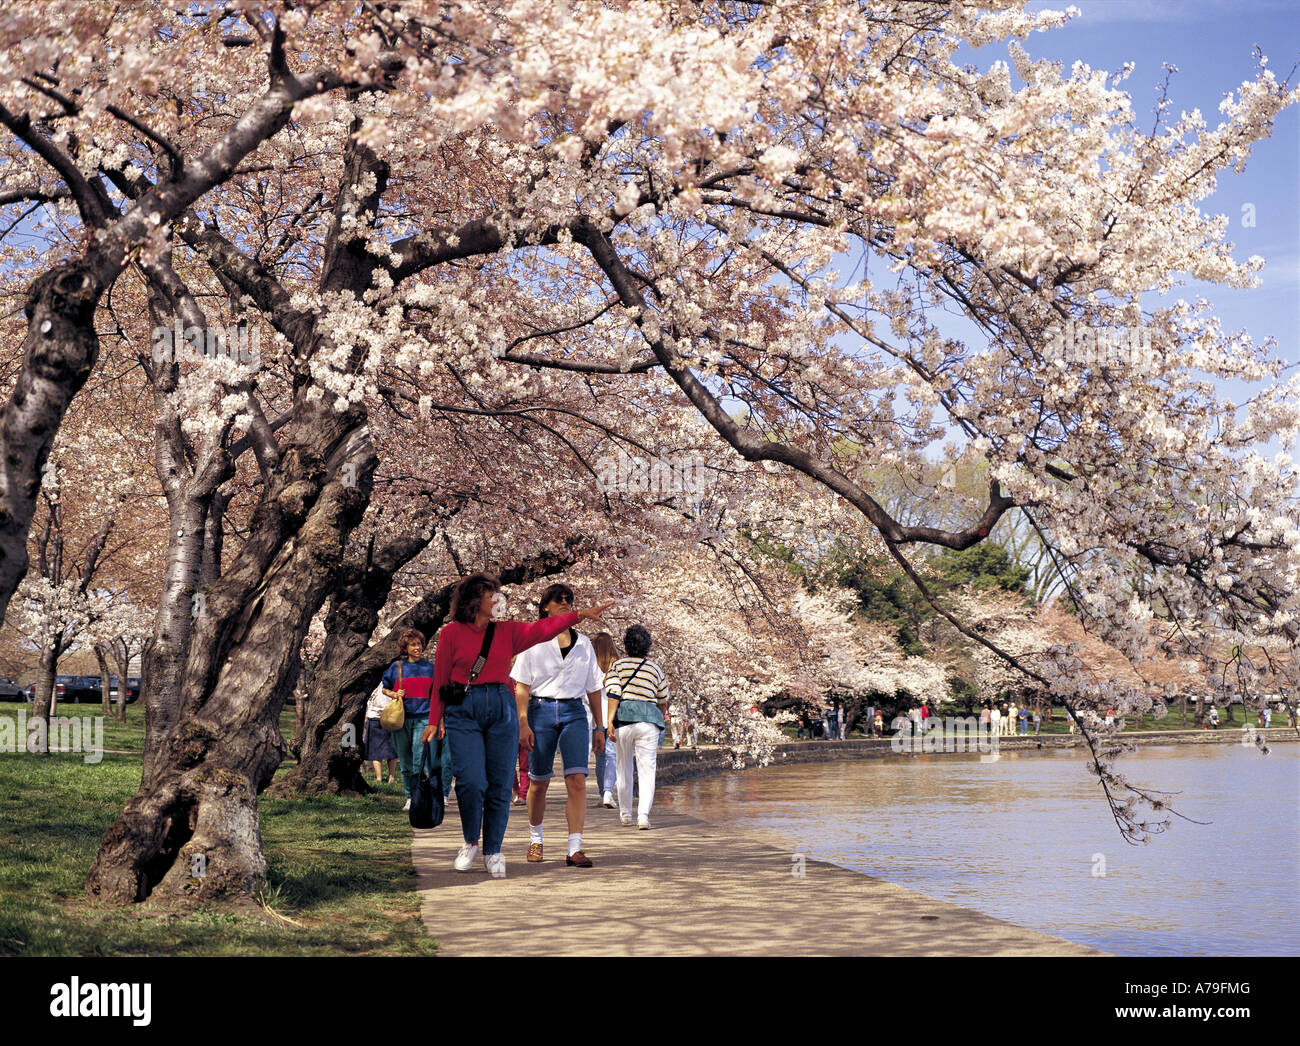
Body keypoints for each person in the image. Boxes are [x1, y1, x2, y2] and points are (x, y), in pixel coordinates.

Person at [421, 573, 612, 878]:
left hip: (500, 706)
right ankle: (470, 841)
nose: (498, 600)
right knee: (471, 783)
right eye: (491, 595)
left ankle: (493, 850)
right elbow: (441, 679)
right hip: (463, 710)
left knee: (499, 783)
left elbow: (542, 628)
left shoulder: (507, 631)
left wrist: (578, 616)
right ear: (474, 601)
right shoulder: (451, 633)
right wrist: (434, 720)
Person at [513, 583, 607, 868]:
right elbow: (522, 686)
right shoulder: (533, 641)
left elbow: (593, 687)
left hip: (574, 712)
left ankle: (575, 848)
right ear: (545, 606)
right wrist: (523, 722)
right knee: (539, 782)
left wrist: (600, 726)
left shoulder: (584, 644)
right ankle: (535, 839)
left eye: (569, 598)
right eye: (558, 599)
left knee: (577, 780)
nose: (565, 602)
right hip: (540, 710)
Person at [607, 624, 668, 830]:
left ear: (626, 645)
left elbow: (613, 694)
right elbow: (663, 699)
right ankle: (643, 816)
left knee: (623, 768)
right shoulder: (655, 668)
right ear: (647, 646)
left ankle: (625, 814)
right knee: (647, 770)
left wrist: (609, 721)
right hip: (648, 720)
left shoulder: (618, 666)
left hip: (623, 720)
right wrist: (662, 718)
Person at [380, 629, 438, 813]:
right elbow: (384, 689)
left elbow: (437, 694)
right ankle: (409, 797)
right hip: (402, 718)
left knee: (419, 759)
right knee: (404, 759)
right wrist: (394, 694)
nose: (417, 647)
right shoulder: (396, 667)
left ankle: (420, 795)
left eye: (419, 644)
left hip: (423, 718)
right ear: (405, 648)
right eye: (413, 644)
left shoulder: (430, 668)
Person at [591, 632, 620, 808]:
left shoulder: (589, 664)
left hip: (594, 717)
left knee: (600, 756)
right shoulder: (617, 666)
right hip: (612, 715)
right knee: (611, 755)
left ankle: (603, 793)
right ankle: (608, 791)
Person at [364, 681, 400, 786]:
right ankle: (391, 777)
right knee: (392, 749)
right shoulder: (393, 682)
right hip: (390, 717)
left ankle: (379, 777)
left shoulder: (372, 683)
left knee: (376, 749)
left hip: (375, 717)